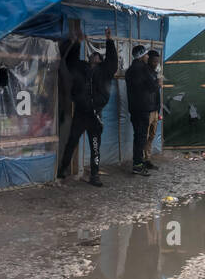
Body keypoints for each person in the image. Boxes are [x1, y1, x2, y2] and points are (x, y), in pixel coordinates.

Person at [58, 28, 118, 187]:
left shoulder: (105, 71)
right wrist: (77, 43)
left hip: (95, 115)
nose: (94, 55)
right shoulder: (81, 67)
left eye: (98, 55)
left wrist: (109, 40)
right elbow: (70, 61)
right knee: (71, 142)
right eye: (93, 54)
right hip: (80, 113)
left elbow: (113, 61)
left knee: (95, 147)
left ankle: (95, 175)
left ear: (101, 60)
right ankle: (62, 170)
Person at [125, 45, 161, 177]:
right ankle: (138, 165)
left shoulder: (130, 70)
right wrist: (158, 82)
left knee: (138, 136)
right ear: (141, 56)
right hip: (143, 108)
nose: (147, 57)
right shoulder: (143, 70)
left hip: (134, 109)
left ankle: (138, 163)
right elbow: (152, 87)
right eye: (146, 55)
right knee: (141, 138)